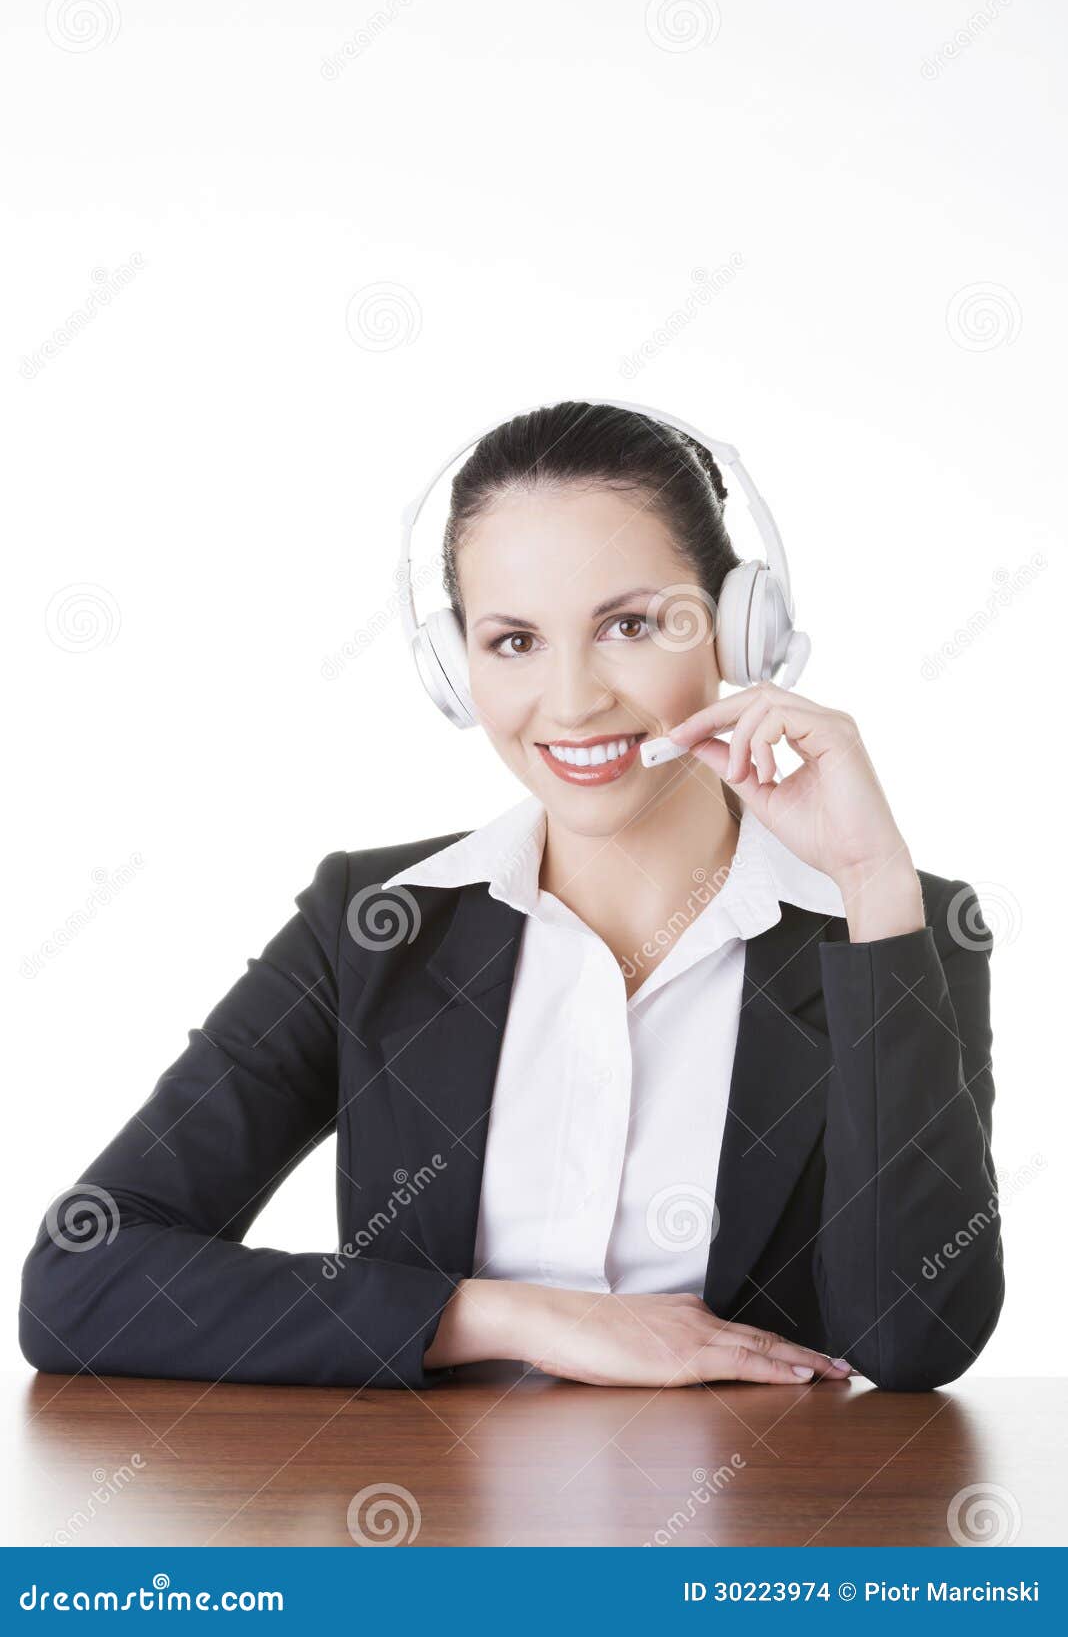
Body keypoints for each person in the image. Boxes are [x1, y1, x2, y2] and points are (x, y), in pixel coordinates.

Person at [19, 401, 1003, 1395]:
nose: (573, 701)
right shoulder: (373, 924)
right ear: (455, 668)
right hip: (435, 1497)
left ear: (741, 631)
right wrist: (516, 1316)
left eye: (628, 625)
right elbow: (80, 1281)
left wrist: (871, 883)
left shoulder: (894, 927)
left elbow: (912, 1341)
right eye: (514, 641)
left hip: (751, 1500)